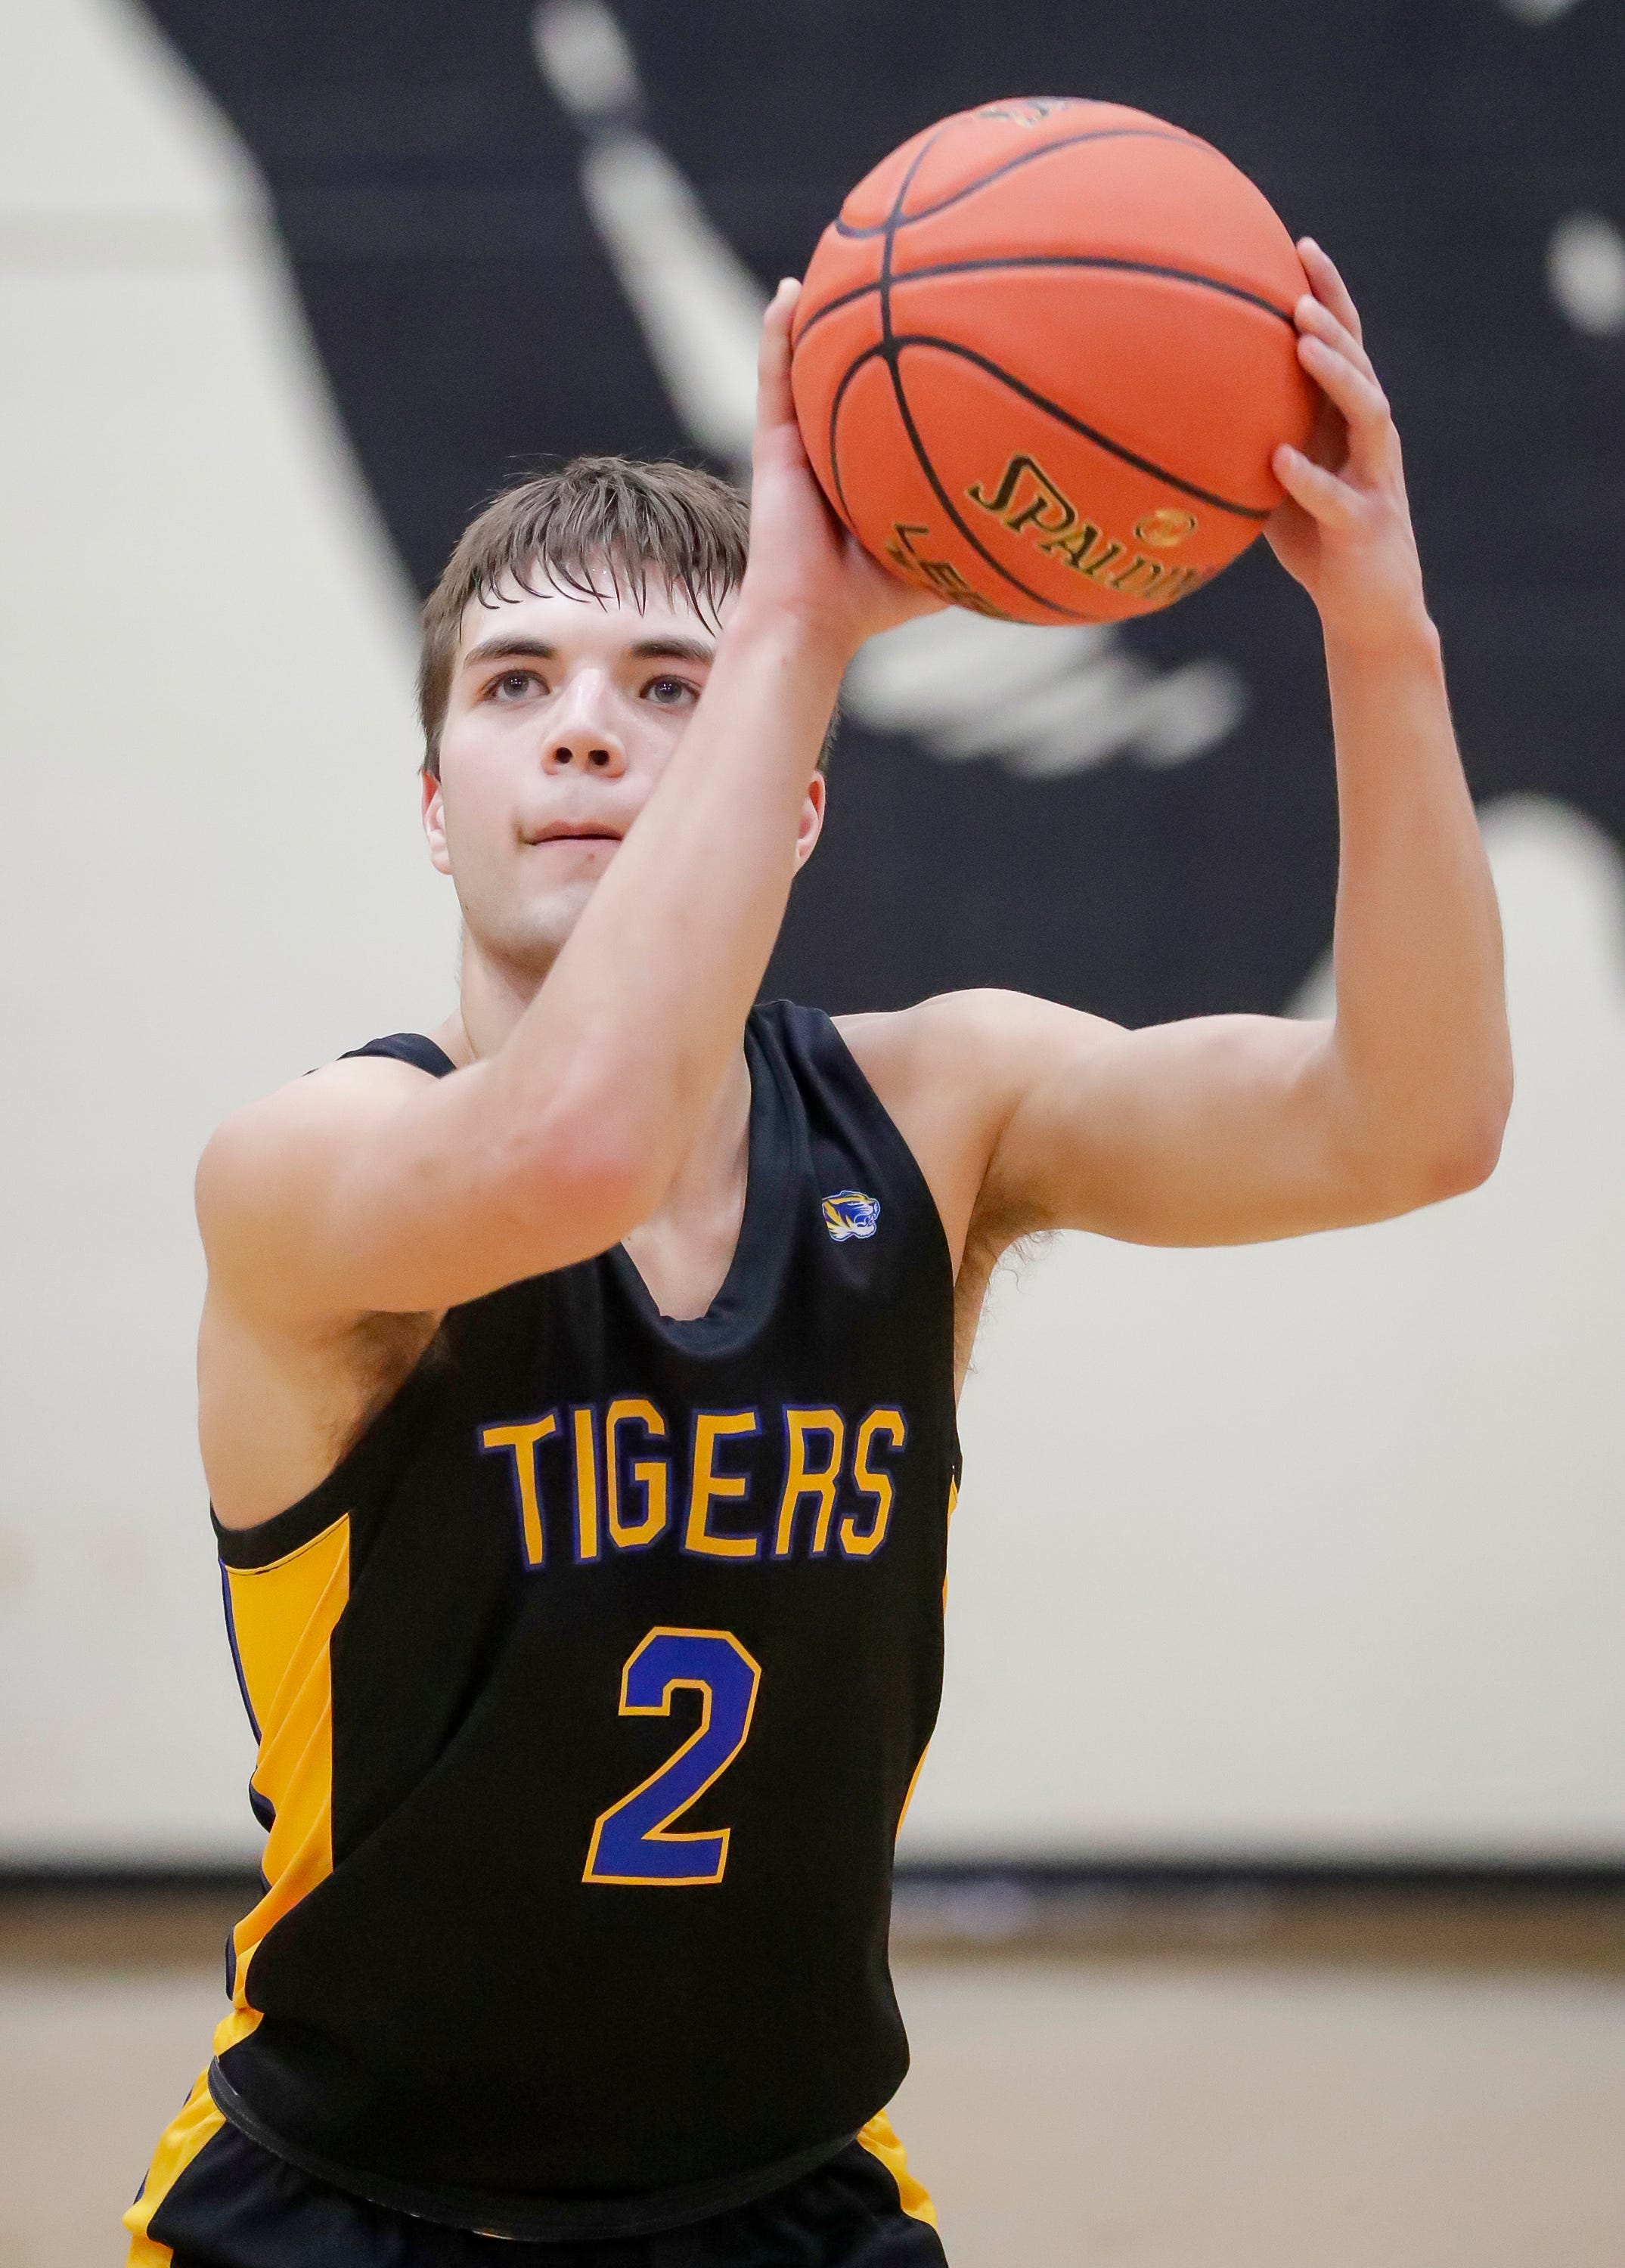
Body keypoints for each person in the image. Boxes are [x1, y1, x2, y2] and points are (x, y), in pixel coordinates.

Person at [126, 243, 1511, 2266]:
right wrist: (793, 614)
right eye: (521, 689)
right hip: (351, 2208)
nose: (586, 736)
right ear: (437, 808)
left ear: (794, 804)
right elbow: (576, 1149)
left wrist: (1381, 630)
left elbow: (1417, 1122)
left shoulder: (942, 1110)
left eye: (670, 688)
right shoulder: (306, 1167)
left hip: (785, 2202)